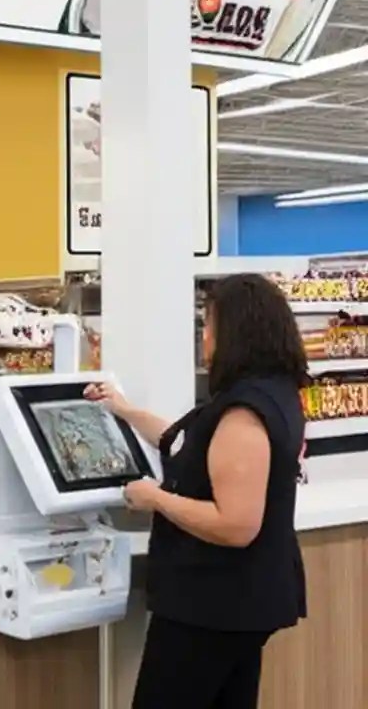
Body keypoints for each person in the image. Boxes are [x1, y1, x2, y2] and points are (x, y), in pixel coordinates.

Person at [84, 272, 308, 709]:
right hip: (242, 602)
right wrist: (124, 410)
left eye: (208, 325)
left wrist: (155, 499)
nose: (204, 337)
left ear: (235, 334)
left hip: (213, 605)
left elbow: (236, 524)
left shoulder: (244, 412)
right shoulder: (271, 394)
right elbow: (190, 443)